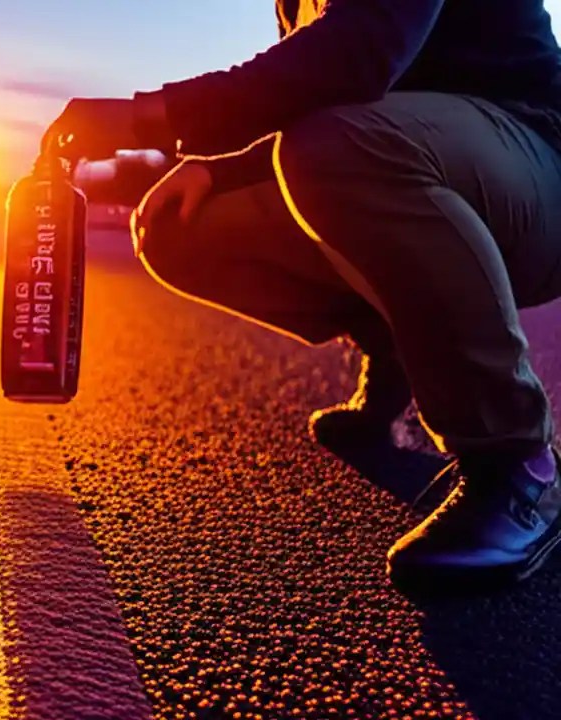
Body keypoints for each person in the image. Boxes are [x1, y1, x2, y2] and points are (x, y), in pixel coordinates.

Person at [44, 0, 561, 589]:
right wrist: (217, 170)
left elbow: (359, 55)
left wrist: (145, 118)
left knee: (332, 149)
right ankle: (392, 347)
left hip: (537, 163)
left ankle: (518, 464)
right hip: (426, 156)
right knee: (177, 227)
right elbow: (317, 94)